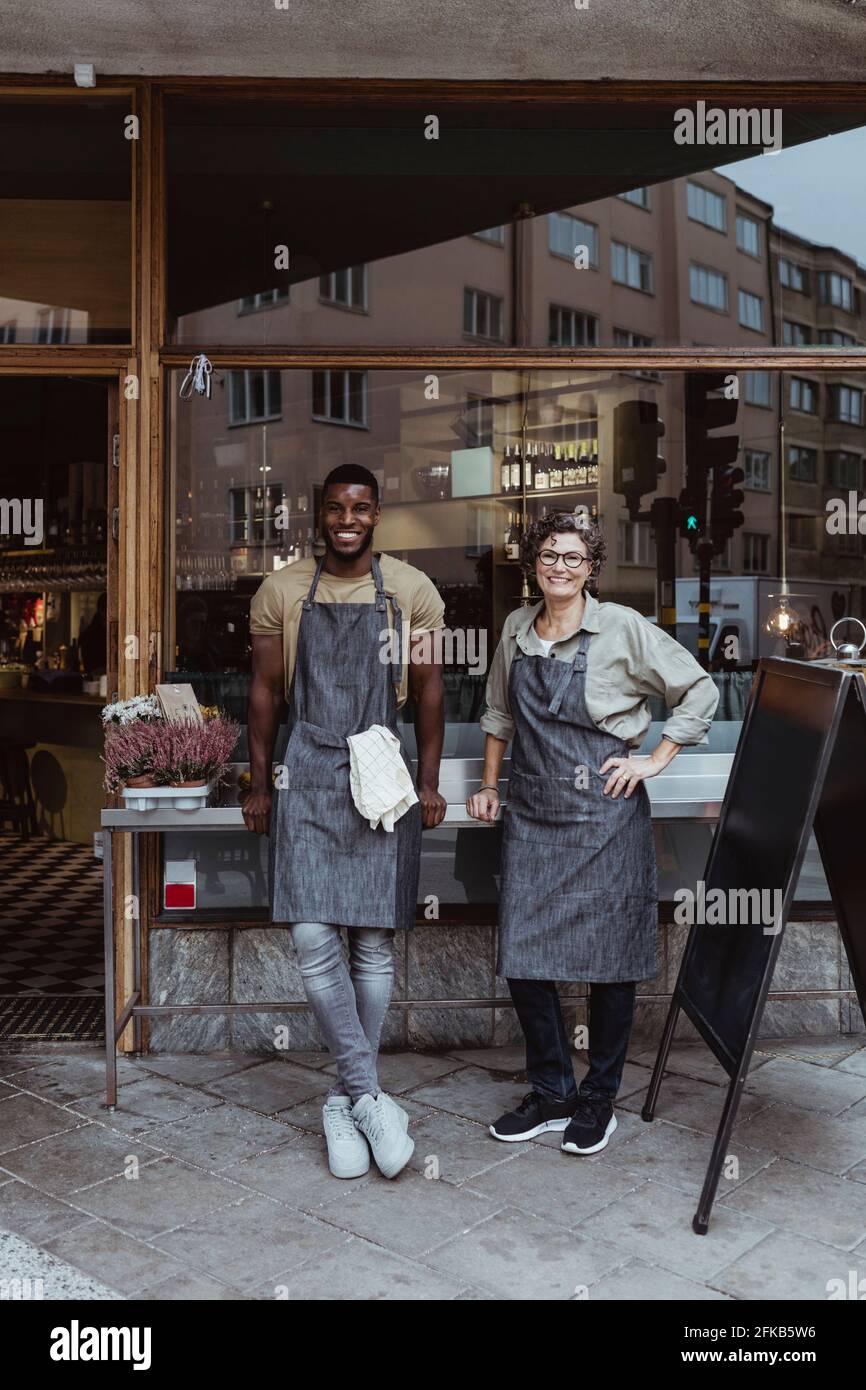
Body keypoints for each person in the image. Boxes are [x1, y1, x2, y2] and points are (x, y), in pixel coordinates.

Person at [467, 511, 719, 1155]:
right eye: (549, 554)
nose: (559, 566)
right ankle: (552, 1092)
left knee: (610, 962)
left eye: (573, 557)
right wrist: (492, 784)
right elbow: (498, 711)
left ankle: (598, 1099)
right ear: (533, 564)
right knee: (523, 954)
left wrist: (653, 760)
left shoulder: (623, 629)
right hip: (533, 813)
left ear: (591, 568)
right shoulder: (516, 629)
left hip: (606, 815)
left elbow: (698, 691)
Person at [244, 463, 446, 1180]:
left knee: (371, 944)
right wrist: (261, 781)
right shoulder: (283, 590)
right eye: (335, 508)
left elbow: (427, 692)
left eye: (360, 507)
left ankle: (341, 1101)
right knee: (311, 937)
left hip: (381, 770)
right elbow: (267, 692)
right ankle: (369, 1095)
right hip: (308, 768)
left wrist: (427, 781)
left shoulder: (413, 592)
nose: (347, 519)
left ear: (378, 513)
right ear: (319, 515)